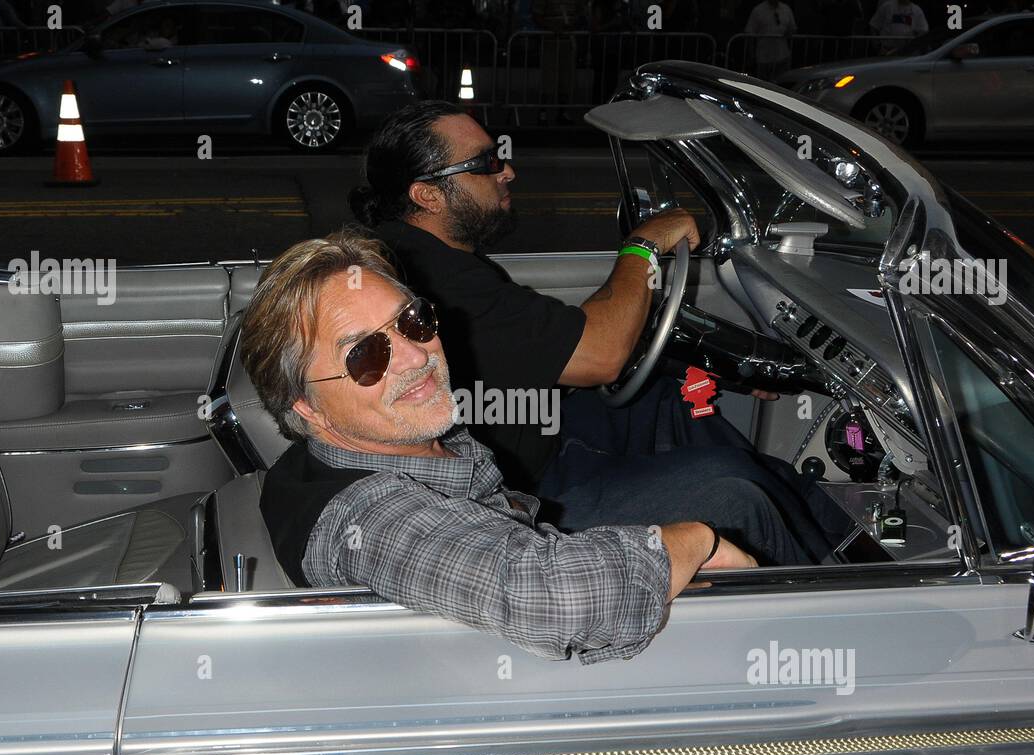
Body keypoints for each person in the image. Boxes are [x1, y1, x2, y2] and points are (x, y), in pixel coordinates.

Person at [241, 230, 808, 664]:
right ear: (307, 408)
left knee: (729, 485)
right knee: (734, 500)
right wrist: (694, 540)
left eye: (413, 321)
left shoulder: (375, 448)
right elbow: (552, 598)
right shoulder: (368, 518)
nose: (416, 357)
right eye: (364, 356)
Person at [347, 101, 851, 565]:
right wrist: (642, 247)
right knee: (735, 492)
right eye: (485, 164)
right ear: (427, 195)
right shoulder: (432, 276)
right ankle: (839, 601)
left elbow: (546, 343)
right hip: (514, 493)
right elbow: (599, 355)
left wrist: (723, 366)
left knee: (665, 399)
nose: (507, 172)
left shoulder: (429, 256)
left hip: (527, 435)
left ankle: (841, 539)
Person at [742, 0, 797, 81]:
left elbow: (793, 28)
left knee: (781, 83)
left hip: (782, 55)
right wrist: (751, 54)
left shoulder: (786, 9)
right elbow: (750, 33)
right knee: (763, 84)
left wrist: (789, 32)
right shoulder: (758, 10)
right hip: (764, 56)